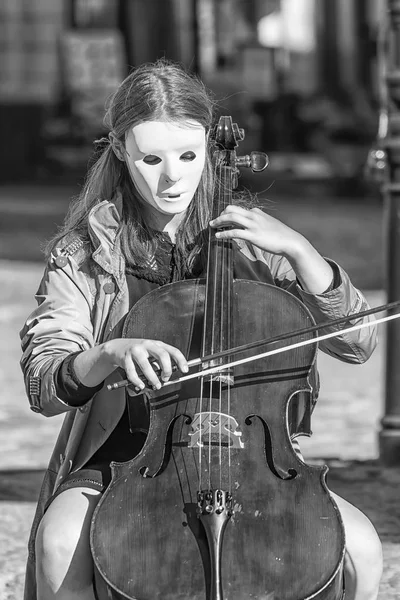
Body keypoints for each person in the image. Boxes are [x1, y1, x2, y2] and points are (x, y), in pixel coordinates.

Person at [20, 59, 381, 600]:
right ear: (119, 149)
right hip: (126, 460)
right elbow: (43, 384)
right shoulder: (84, 257)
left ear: (210, 147)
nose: (173, 178)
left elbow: (357, 344)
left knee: (363, 549)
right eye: (151, 158)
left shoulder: (254, 243)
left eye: (188, 156)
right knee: (58, 542)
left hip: (253, 460)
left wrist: (303, 255)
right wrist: (110, 353)